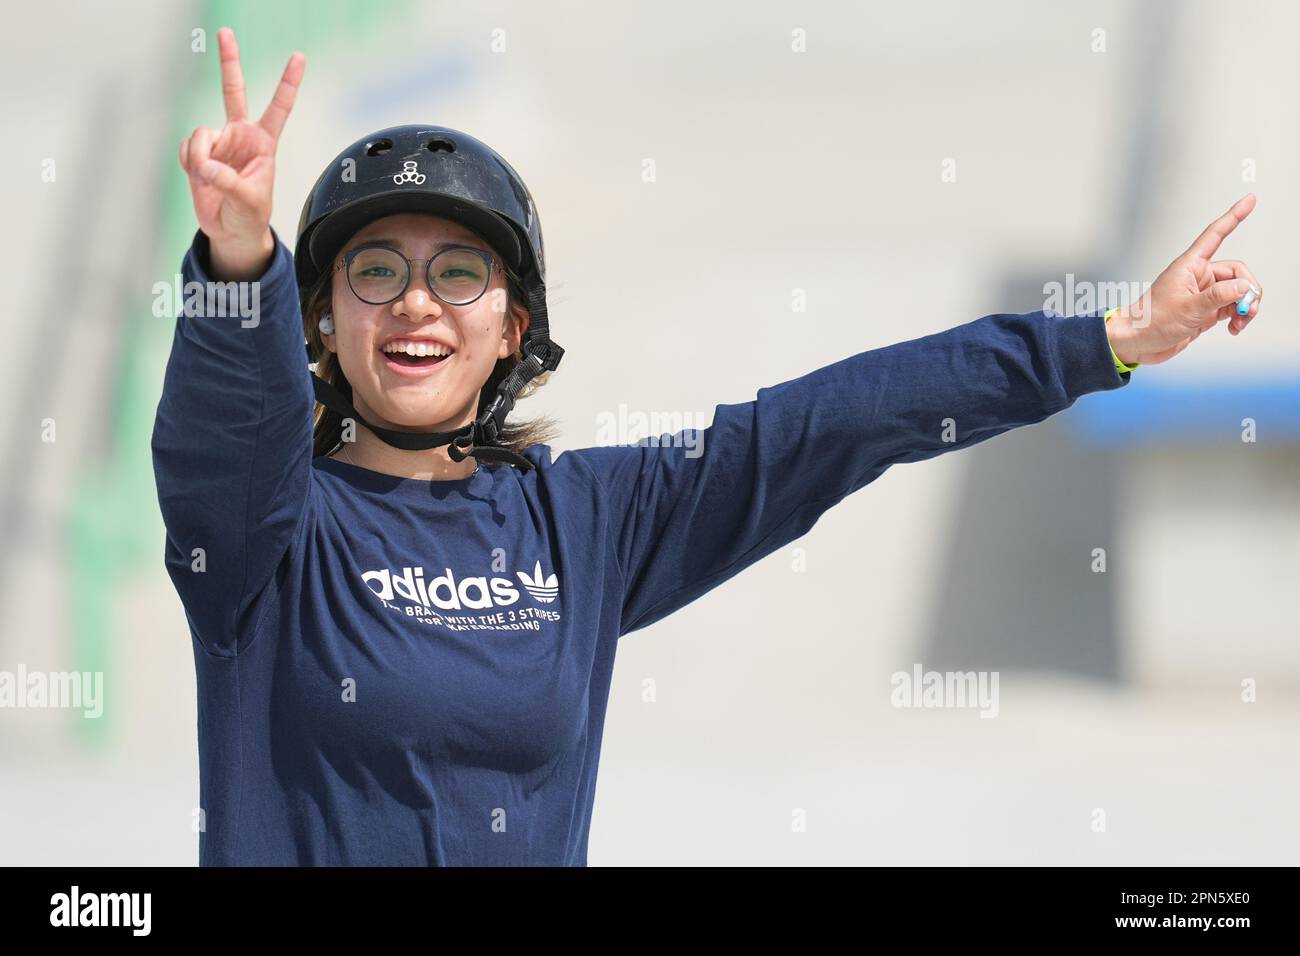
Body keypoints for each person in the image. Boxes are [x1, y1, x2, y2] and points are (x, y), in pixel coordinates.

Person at [153, 28, 1264, 866]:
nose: (414, 305)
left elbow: (833, 423)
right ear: (321, 321)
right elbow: (225, 433)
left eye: (458, 273)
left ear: (512, 330)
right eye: (375, 270)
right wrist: (240, 255)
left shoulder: (580, 521)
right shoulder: (268, 536)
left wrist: (1104, 339)